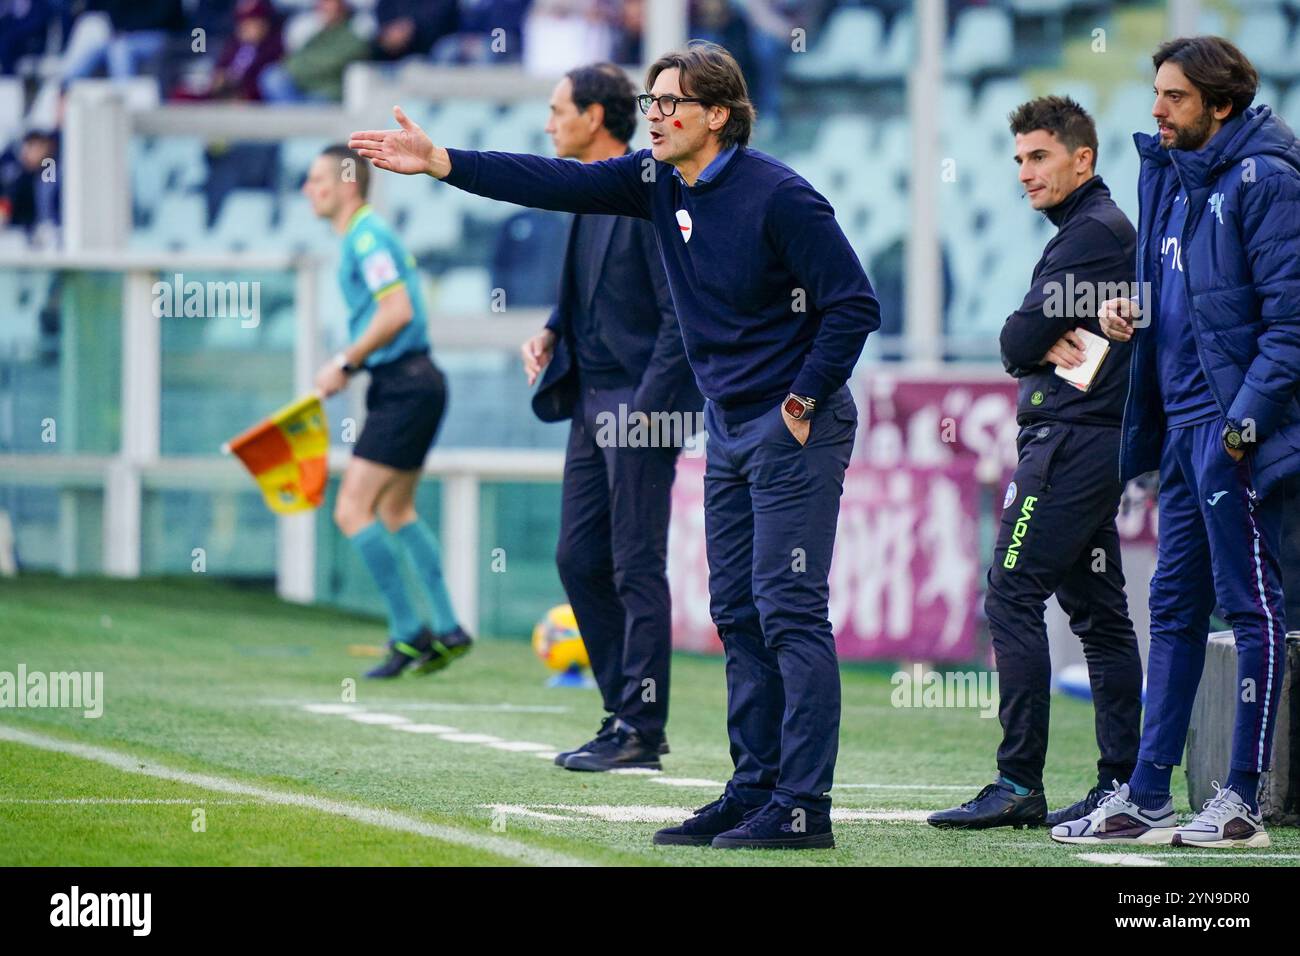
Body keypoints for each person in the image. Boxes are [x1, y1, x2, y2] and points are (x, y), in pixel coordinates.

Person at [350, 40, 880, 849]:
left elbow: (853, 305)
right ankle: (753, 789)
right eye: (652, 101)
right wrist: (442, 162)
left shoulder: (780, 196)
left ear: (719, 115)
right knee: (737, 610)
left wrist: (801, 402)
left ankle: (802, 805)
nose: (656, 116)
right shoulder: (656, 180)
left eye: (673, 103)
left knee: (787, 610)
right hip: (730, 425)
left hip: (791, 429)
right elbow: (552, 180)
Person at [1068, 36, 1300, 849]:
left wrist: (1244, 424)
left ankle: (1241, 800)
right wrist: (1131, 313)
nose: (1157, 109)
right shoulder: (1165, 173)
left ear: (1221, 106)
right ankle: (1148, 795)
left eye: (1175, 97)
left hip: (1232, 433)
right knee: (1171, 607)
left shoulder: (1266, 182)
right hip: (1180, 432)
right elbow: (1179, 292)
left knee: (1250, 609)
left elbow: (1290, 323)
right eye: (1157, 92)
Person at [928, 96, 1142, 831]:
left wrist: (1039, 340)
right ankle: (1123, 781)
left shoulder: (1092, 234)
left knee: (1012, 594)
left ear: (1083, 158)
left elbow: (1020, 339)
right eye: (1019, 159)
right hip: (1086, 437)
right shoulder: (1091, 231)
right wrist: (1035, 338)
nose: (1025, 172)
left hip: (1071, 441)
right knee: (1099, 614)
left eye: (1039, 156)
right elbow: (1024, 338)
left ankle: (1019, 782)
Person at [519, 63, 701, 772]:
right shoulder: (589, 196)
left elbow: (676, 316)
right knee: (577, 558)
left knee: (634, 566)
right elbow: (591, 291)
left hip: (639, 408)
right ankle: (621, 712)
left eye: (558, 109)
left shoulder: (647, 193)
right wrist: (554, 329)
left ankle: (641, 728)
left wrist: (646, 417)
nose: (549, 122)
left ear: (596, 117)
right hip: (590, 401)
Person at [301, 145, 472, 679]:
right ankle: (446, 628)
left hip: (404, 385)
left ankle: (408, 632)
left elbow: (395, 311)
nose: (310, 189)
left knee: (352, 510)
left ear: (348, 184)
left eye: (318, 179)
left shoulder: (367, 236)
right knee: (396, 510)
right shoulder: (365, 235)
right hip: (415, 382)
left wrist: (344, 363)